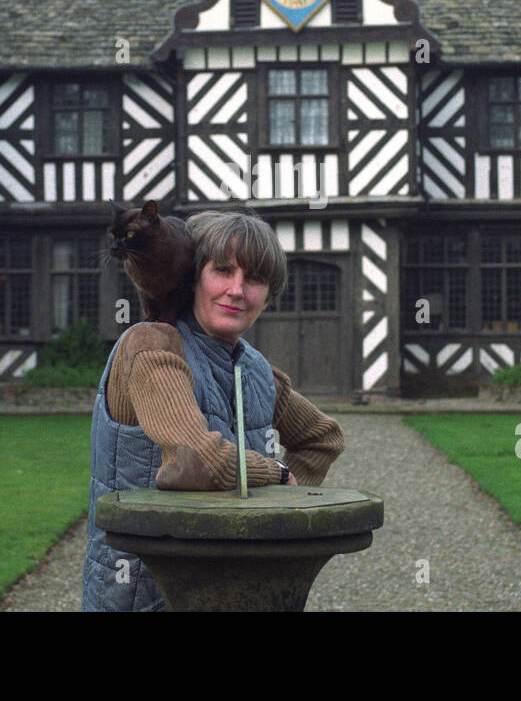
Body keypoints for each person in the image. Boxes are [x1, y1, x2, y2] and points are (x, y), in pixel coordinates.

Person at [82, 209, 345, 611]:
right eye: (222, 270)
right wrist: (277, 474)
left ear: (268, 295)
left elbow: (322, 438)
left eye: (254, 278)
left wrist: (280, 524)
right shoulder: (150, 347)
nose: (237, 290)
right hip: (149, 600)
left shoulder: (256, 370)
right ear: (190, 275)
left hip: (245, 595)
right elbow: (196, 461)